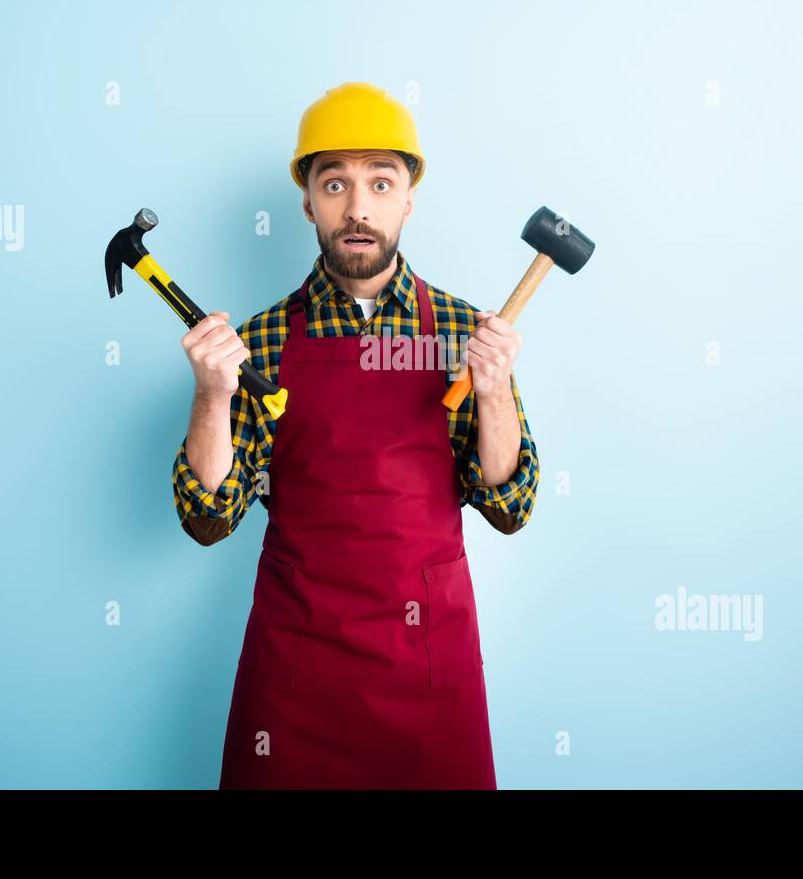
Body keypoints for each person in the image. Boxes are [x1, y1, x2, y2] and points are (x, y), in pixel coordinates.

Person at [171, 81, 539, 788]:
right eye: (334, 182)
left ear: (410, 196)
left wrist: (492, 395)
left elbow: (509, 506)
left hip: (431, 675)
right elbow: (207, 518)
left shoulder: (462, 336)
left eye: (380, 181)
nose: (358, 206)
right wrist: (213, 395)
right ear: (308, 201)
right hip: (295, 680)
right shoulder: (263, 343)